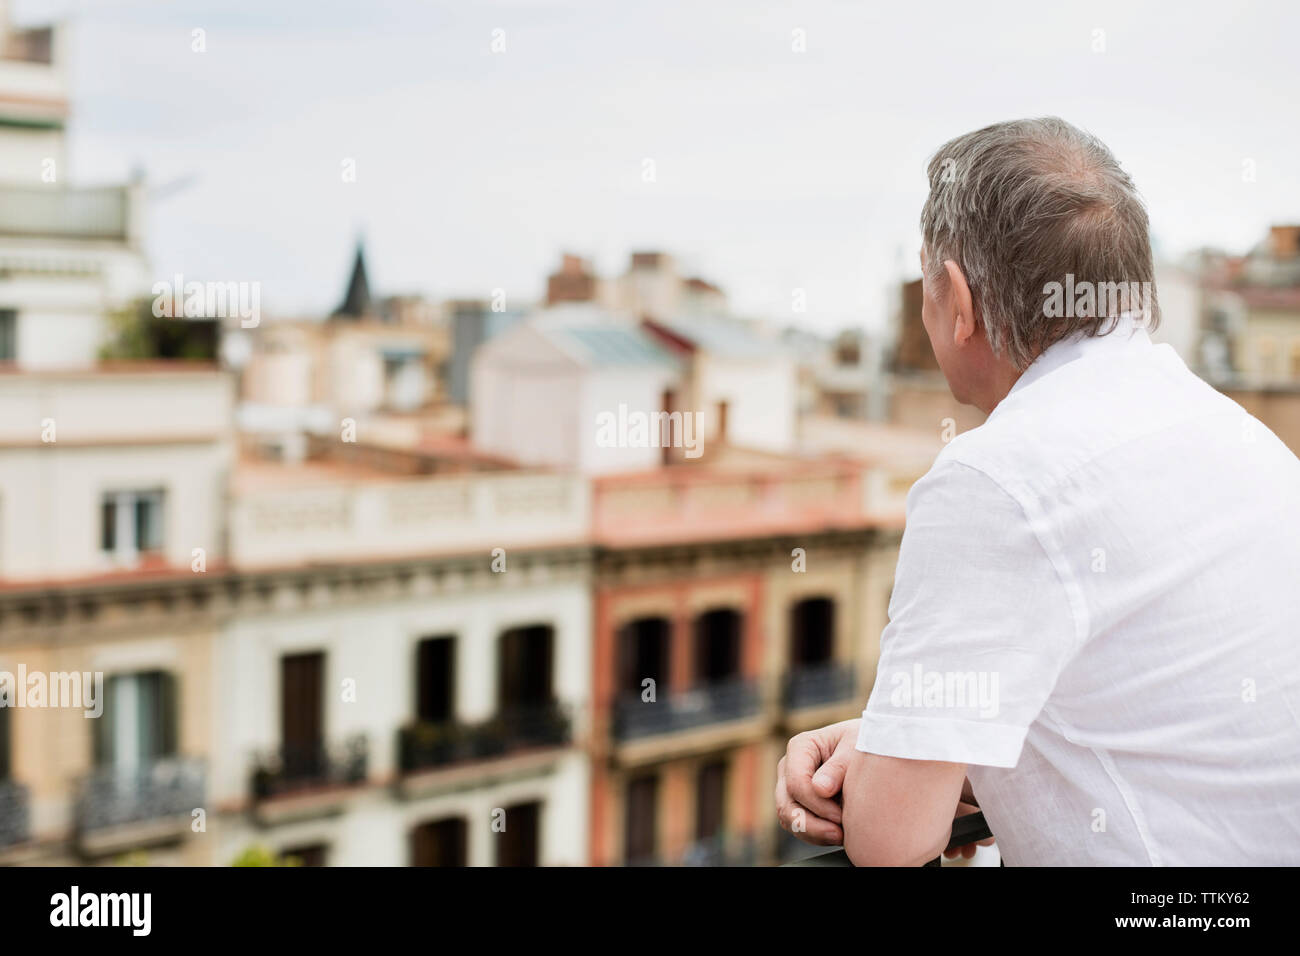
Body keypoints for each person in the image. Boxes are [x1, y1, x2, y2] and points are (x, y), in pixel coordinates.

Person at [776, 117, 1300, 866]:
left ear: (957, 300)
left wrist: (879, 769)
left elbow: (891, 844)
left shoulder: (993, 481)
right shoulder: (1230, 430)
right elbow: (1161, 712)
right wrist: (907, 736)